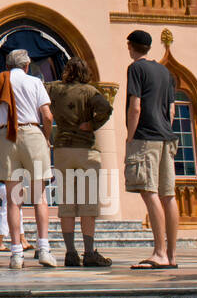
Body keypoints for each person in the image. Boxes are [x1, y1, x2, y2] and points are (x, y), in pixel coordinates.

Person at [0, 49, 57, 269]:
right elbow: (47, 115)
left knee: (13, 199)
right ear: (26, 65)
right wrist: (45, 137)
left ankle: (16, 253)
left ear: (8, 65)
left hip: (5, 136)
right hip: (32, 133)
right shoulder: (34, 82)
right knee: (39, 196)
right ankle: (44, 249)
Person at [46, 58, 114, 267]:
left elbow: (38, 92)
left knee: (67, 203)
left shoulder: (55, 89)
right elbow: (106, 109)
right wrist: (92, 124)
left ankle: (70, 252)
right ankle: (89, 252)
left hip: (63, 149)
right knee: (87, 204)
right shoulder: (89, 91)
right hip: (85, 150)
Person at [124, 30, 179, 269]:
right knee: (168, 195)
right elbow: (172, 109)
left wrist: (130, 136)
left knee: (149, 191)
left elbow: (135, 106)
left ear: (131, 46)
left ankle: (159, 252)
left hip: (146, 135)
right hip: (167, 137)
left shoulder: (136, 68)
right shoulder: (165, 71)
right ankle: (172, 254)